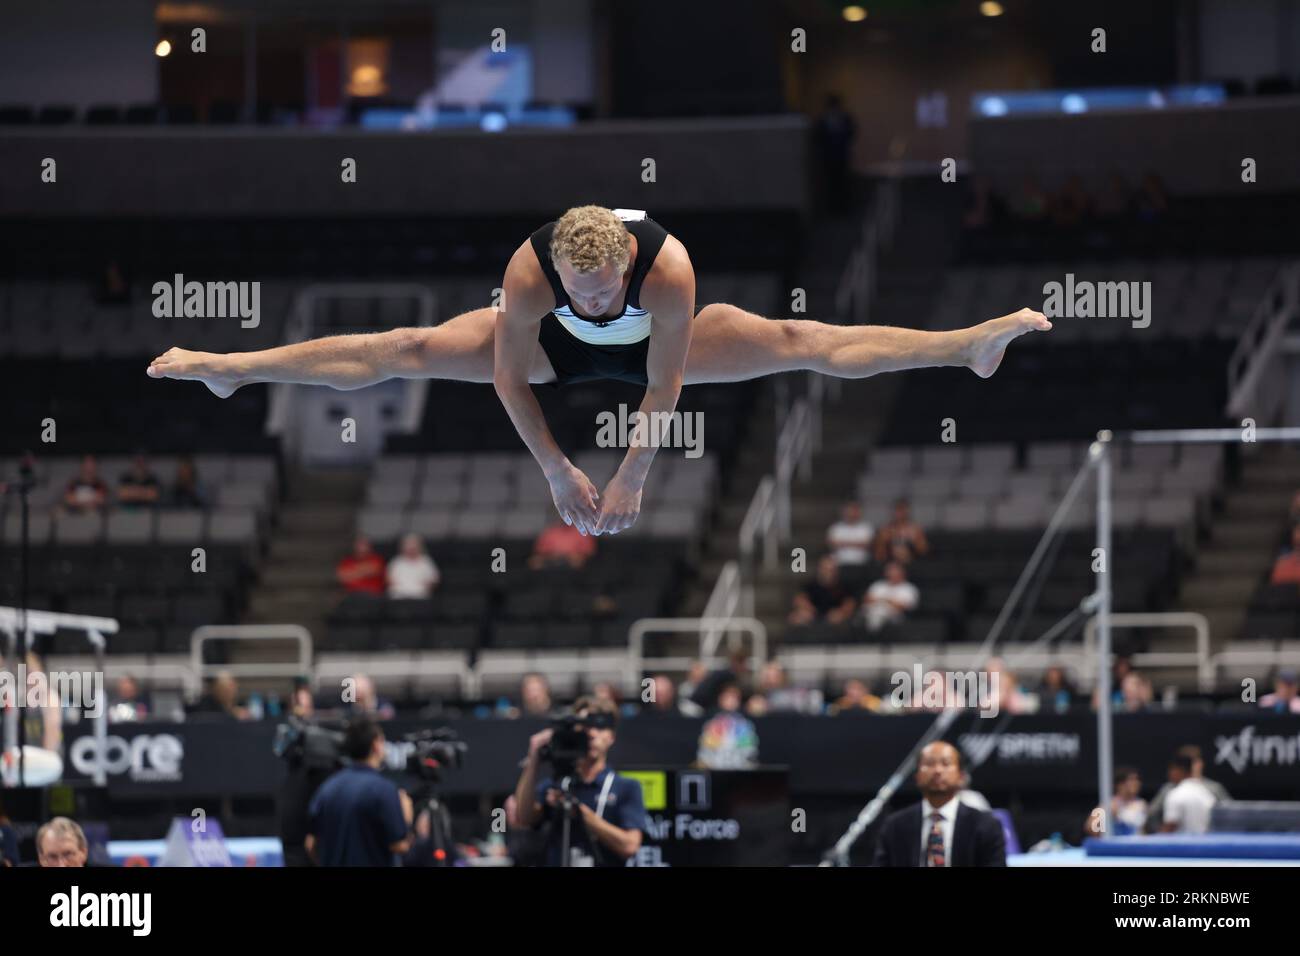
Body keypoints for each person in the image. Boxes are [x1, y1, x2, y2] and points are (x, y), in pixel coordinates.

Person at [148, 205, 1052, 538]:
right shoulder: (529, 277)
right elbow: (509, 380)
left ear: (625, 262)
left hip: (661, 345)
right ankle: (231, 366)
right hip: (541, 350)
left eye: (602, 286)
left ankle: (965, 343)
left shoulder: (667, 272)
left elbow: (662, 386)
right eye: (578, 287)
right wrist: (557, 469)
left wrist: (629, 474)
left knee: (793, 337)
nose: (593, 297)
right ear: (559, 273)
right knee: (408, 350)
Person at [513, 696, 647, 867]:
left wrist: (581, 814)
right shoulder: (558, 784)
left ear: (611, 737)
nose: (591, 733)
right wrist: (534, 758)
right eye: (584, 726)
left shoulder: (626, 787)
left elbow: (630, 846)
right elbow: (524, 817)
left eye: (599, 727)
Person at [872, 741, 1006, 867]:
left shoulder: (986, 825)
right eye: (929, 764)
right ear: (917, 776)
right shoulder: (895, 826)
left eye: (946, 763)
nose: (937, 770)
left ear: (961, 776)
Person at [306, 716, 413, 866]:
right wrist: (406, 818)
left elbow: (311, 845)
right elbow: (399, 845)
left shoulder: (327, 788)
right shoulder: (383, 789)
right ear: (376, 745)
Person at [1143, 745, 1231, 834]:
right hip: (1182, 841)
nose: (1193, 766)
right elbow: (1152, 814)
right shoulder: (1169, 789)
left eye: (1195, 761)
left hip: (1200, 839)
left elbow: (1228, 814)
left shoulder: (1212, 789)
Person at [1159, 750, 1217, 835]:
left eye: (1172, 769)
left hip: (1182, 847)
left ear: (1181, 770)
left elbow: (1169, 827)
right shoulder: (1207, 795)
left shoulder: (1176, 794)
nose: (1169, 773)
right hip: (1204, 845)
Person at [788, 555, 856, 626]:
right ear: (820, 569)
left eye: (831, 570)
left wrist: (841, 612)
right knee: (795, 618)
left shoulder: (844, 586)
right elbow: (800, 600)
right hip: (813, 616)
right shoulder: (810, 585)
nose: (828, 573)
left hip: (836, 618)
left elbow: (849, 604)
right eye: (825, 569)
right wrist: (808, 610)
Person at [862, 561, 919, 633]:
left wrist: (884, 600)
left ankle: (873, 634)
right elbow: (867, 600)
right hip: (872, 611)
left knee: (878, 616)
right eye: (890, 571)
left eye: (895, 571)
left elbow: (905, 607)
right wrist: (887, 601)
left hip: (895, 616)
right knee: (872, 613)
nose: (892, 574)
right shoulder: (878, 585)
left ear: (902, 573)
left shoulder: (909, 588)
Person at [873, 498, 929, 564]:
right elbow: (878, 556)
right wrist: (885, 542)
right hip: (891, 565)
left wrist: (914, 540)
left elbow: (924, 551)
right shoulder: (885, 530)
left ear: (907, 511)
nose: (900, 513)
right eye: (897, 510)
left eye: (902, 510)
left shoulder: (915, 529)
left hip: (911, 564)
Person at [386, 533, 440, 599]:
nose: (411, 549)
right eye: (408, 546)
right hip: (399, 597)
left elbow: (434, 580)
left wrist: (428, 585)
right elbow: (388, 579)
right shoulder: (396, 562)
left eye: (414, 546)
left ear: (419, 547)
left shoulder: (427, 561)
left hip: (420, 597)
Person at [528, 519, 597, 569]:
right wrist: (552, 556)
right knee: (535, 562)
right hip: (551, 560)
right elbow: (540, 551)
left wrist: (575, 556)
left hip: (571, 561)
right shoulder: (550, 531)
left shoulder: (582, 531)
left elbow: (589, 552)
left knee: (577, 562)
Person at [826, 501, 874, 567]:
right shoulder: (836, 528)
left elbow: (867, 544)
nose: (852, 513)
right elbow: (832, 544)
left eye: (855, 511)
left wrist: (843, 543)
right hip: (839, 563)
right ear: (844, 512)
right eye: (850, 510)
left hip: (862, 564)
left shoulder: (866, 527)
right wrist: (857, 543)